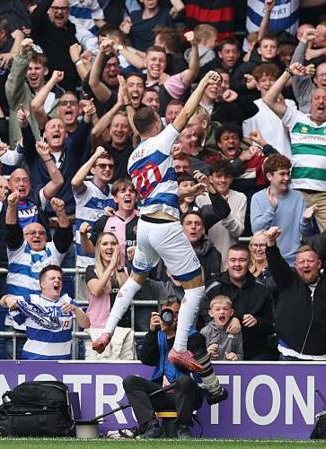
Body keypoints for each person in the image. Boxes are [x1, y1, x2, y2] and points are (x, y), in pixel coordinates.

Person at [92, 70, 223, 372]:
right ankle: (179, 349)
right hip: (164, 226)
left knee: (134, 282)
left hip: (146, 225)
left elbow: (158, 188)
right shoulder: (164, 138)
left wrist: (186, 189)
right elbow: (189, 111)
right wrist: (203, 82)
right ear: (158, 121)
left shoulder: (134, 156)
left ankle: (106, 331)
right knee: (195, 288)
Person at [261, 58, 326, 231]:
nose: (320, 102)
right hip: (297, 192)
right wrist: (288, 73)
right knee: (293, 237)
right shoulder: (296, 119)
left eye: (325, 99)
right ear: (310, 103)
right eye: (316, 98)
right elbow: (269, 99)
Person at [121, 297, 226, 439]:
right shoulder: (157, 335)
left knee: (184, 380)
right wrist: (152, 332)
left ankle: (183, 428)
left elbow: (194, 367)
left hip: (187, 394)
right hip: (162, 392)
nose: (173, 318)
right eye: (168, 314)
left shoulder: (194, 336)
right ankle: (151, 426)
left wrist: (172, 335)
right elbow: (146, 359)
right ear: (160, 315)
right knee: (130, 381)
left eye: (176, 314)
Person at [264, 226, 326, 360]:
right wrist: (271, 243)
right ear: (296, 265)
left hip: (322, 359)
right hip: (289, 356)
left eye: (310, 261)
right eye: (302, 262)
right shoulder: (287, 280)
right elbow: (276, 263)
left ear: (318, 264)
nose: (306, 265)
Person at [0, 265, 90, 360]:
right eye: (52, 278)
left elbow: (86, 324)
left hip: (62, 362)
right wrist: (8, 299)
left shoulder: (67, 300)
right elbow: (3, 301)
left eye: (59, 278)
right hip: (34, 360)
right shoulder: (32, 300)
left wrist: (75, 309)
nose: (57, 280)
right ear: (42, 284)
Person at [203, 243, 274, 360]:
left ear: (250, 263)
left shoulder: (261, 290)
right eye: (233, 260)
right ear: (226, 263)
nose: (237, 264)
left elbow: (271, 325)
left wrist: (257, 322)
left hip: (254, 354)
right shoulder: (213, 288)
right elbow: (204, 317)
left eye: (242, 260)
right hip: (220, 354)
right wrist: (230, 319)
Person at [84, 232, 134, 360]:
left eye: (113, 243)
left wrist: (118, 266)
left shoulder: (125, 270)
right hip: (98, 330)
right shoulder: (91, 270)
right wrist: (111, 266)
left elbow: (126, 291)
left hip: (123, 329)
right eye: (105, 243)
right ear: (98, 248)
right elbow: (96, 290)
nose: (109, 247)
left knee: (125, 372)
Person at [200, 295, 244, 361]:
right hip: (211, 369)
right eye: (217, 309)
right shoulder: (204, 331)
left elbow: (240, 353)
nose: (222, 312)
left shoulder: (235, 330)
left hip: (230, 369)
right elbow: (198, 358)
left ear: (231, 312)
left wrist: (236, 357)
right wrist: (207, 354)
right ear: (211, 313)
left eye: (225, 309)